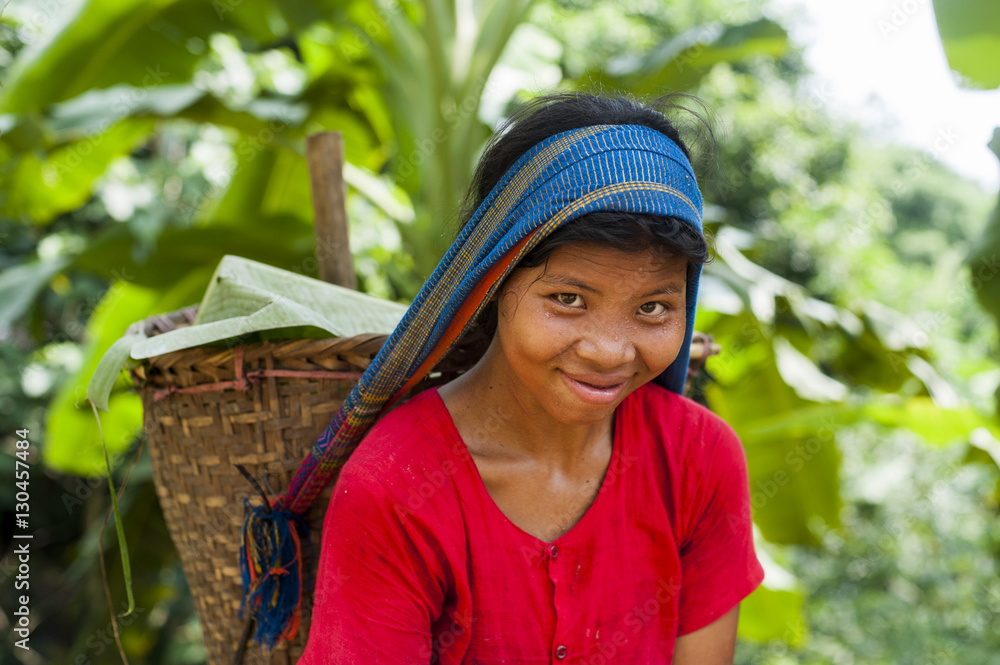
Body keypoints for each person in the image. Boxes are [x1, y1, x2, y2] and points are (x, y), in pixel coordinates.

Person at [296, 92, 764, 663]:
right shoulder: (396, 486)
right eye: (568, 299)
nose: (609, 352)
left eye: (652, 308)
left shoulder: (699, 458)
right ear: (493, 279)